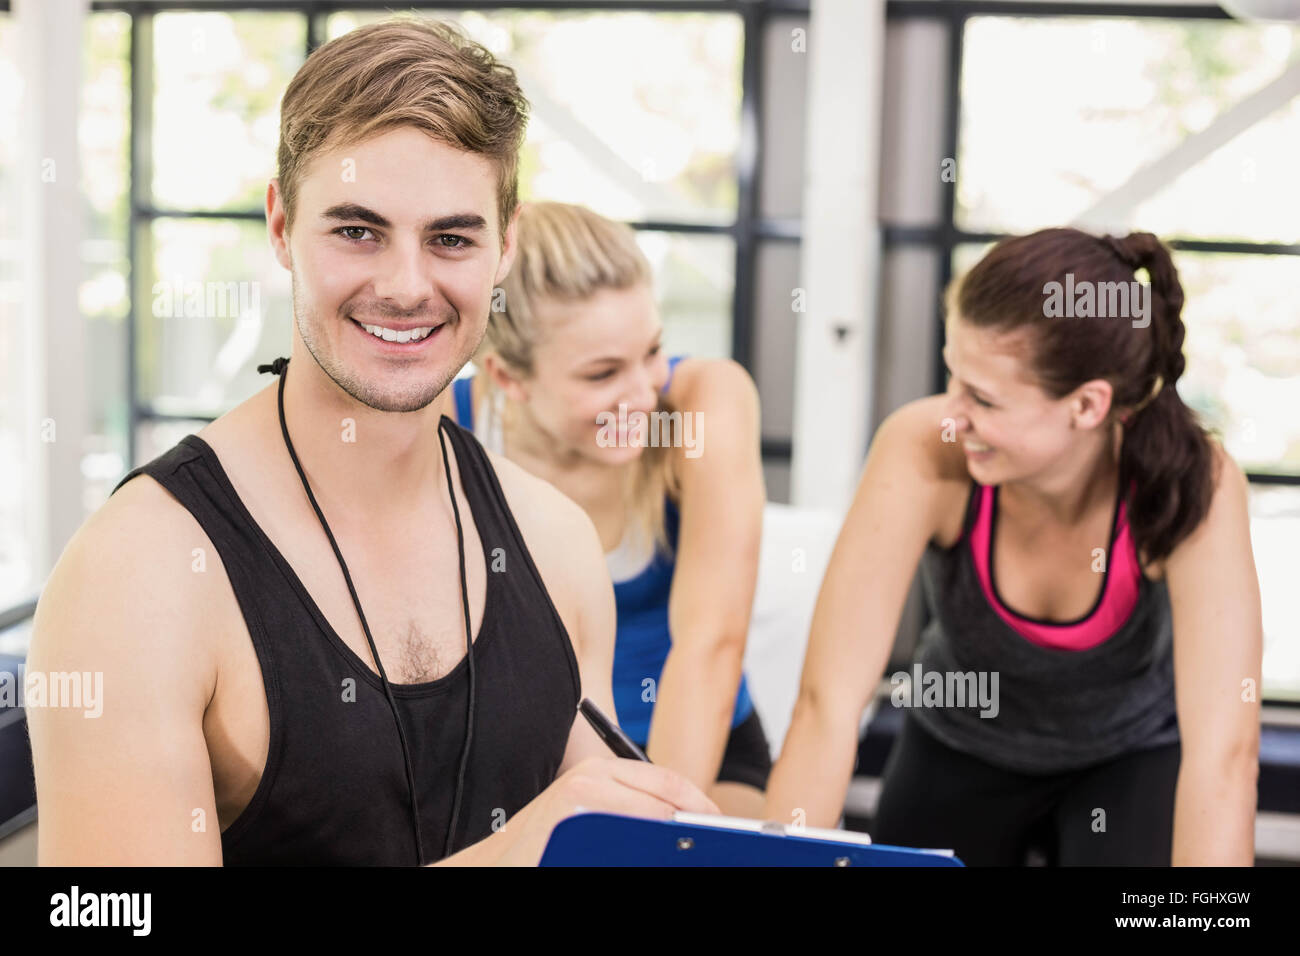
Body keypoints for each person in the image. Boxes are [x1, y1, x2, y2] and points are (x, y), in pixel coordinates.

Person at [25, 18, 718, 867]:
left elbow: (604, 839)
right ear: (280, 225)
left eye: (452, 238)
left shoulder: (554, 545)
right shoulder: (140, 575)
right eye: (357, 230)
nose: (405, 286)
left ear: (505, 246)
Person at [764, 227, 1262, 865]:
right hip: (961, 742)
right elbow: (827, 704)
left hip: (1127, 754)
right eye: (952, 377)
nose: (953, 412)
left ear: (1086, 405)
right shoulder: (925, 447)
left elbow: (1223, 759)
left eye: (984, 398)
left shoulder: (1194, 483)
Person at [447, 201, 771, 817]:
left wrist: (658, 837)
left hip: (688, 741)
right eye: (602, 374)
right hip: (516, 755)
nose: (644, 395)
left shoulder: (703, 401)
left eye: (652, 352)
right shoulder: (442, 429)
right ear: (508, 378)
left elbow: (709, 644)